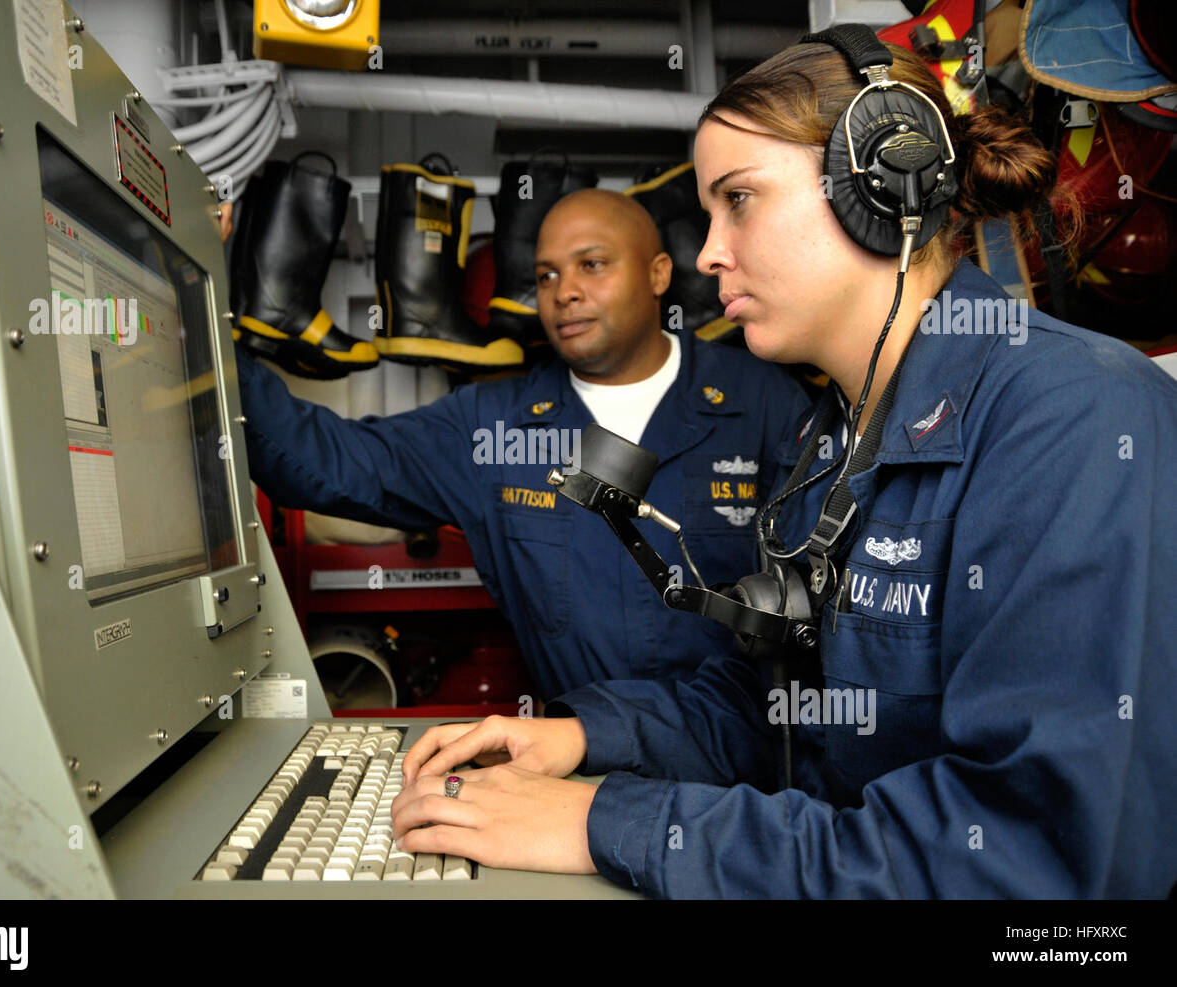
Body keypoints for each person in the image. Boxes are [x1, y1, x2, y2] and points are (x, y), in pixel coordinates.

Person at [386, 31, 1177, 897]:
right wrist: (581, 739)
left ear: (885, 185)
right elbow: (783, 713)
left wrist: (602, 820)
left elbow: (1034, 863)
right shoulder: (829, 444)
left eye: (740, 200)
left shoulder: (1073, 418)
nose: (708, 252)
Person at [232, 187, 812, 698]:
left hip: (742, 784)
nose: (564, 293)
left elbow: (822, 607)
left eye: (592, 264)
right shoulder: (495, 426)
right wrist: (208, 316)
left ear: (659, 273)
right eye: (546, 276)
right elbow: (327, 464)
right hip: (579, 777)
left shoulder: (763, 402)